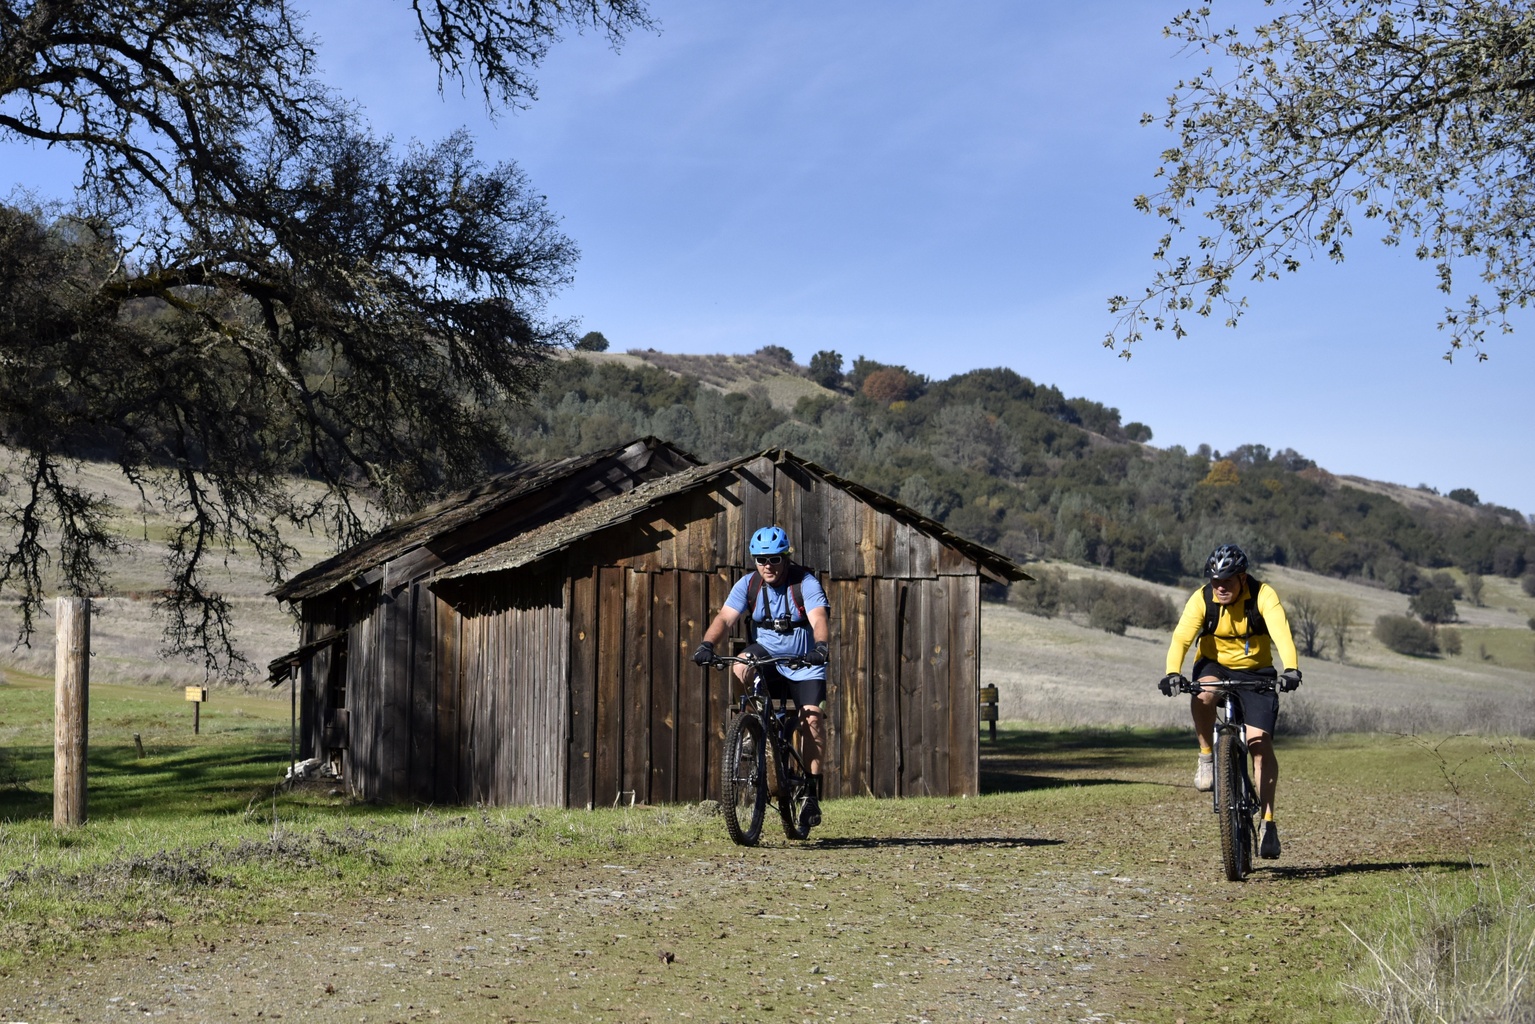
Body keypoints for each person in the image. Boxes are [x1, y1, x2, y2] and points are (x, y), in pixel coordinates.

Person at [1159, 543, 1302, 859]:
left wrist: (1291, 668)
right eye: (1215, 581)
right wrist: (1172, 672)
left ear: (1242, 577)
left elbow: (1282, 634)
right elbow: (1181, 638)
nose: (1220, 587)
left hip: (1257, 672)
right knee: (1202, 692)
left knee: (1259, 745)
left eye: (1227, 581)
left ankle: (1267, 822)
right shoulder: (1202, 599)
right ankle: (1207, 756)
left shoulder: (1263, 596)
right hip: (1214, 665)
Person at [692, 525, 831, 828]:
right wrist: (706, 645)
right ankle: (753, 726)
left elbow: (819, 617)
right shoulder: (748, 584)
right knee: (740, 663)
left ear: (786, 558)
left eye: (775, 560)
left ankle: (809, 791)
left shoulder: (804, 582)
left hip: (803, 662)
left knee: (812, 718)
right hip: (767, 656)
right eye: (760, 559)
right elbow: (725, 618)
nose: (768, 566)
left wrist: (820, 647)